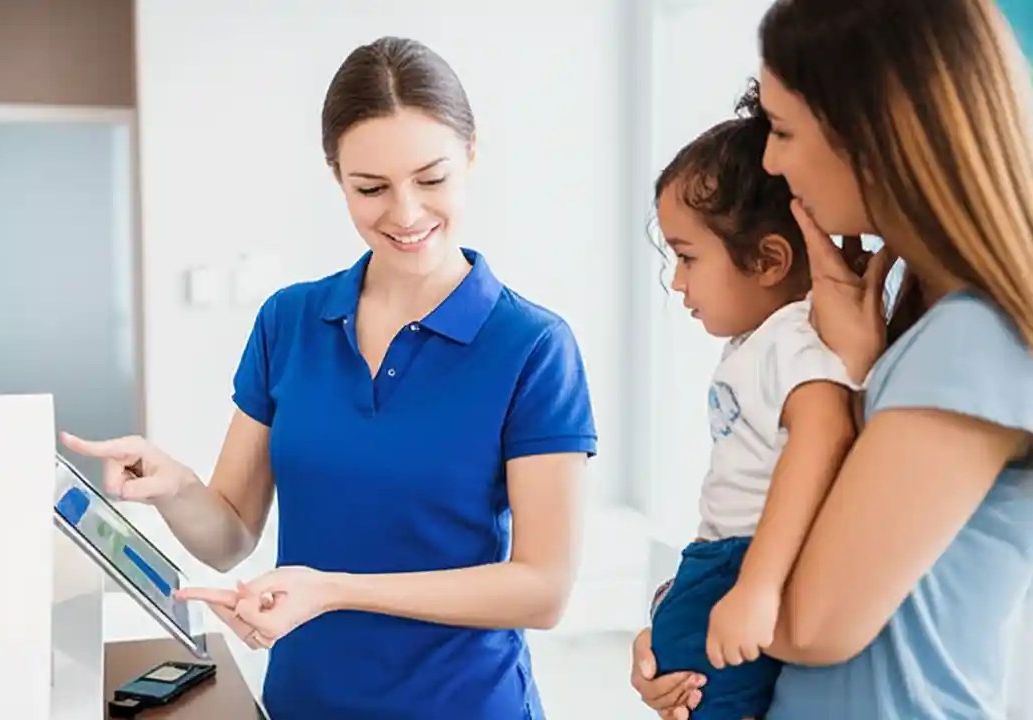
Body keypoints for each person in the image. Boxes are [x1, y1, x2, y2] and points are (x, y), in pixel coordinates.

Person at [64, 36, 597, 720]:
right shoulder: (289, 321)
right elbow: (228, 537)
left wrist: (336, 590)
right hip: (301, 704)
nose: (404, 214)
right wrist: (176, 487)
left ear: (471, 153)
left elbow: (542, 590)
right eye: (370, 188)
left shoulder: (533, 347)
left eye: (430, 179)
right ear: (336, 175)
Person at [632, 0, 1033, 717]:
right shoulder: (917, 315)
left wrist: (686, 628)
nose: (772, 161)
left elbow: (814, 624)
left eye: (784, 130)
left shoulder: (973, 342)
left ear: (877, 134)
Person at [646, 83, 859, 720]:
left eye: (686, 258)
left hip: (749, 555)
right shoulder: (759, 340)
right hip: (723, 553)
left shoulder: (793, 340)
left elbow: (821, 437)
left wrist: (758, 586)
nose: (678, 282)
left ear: (768, 259)